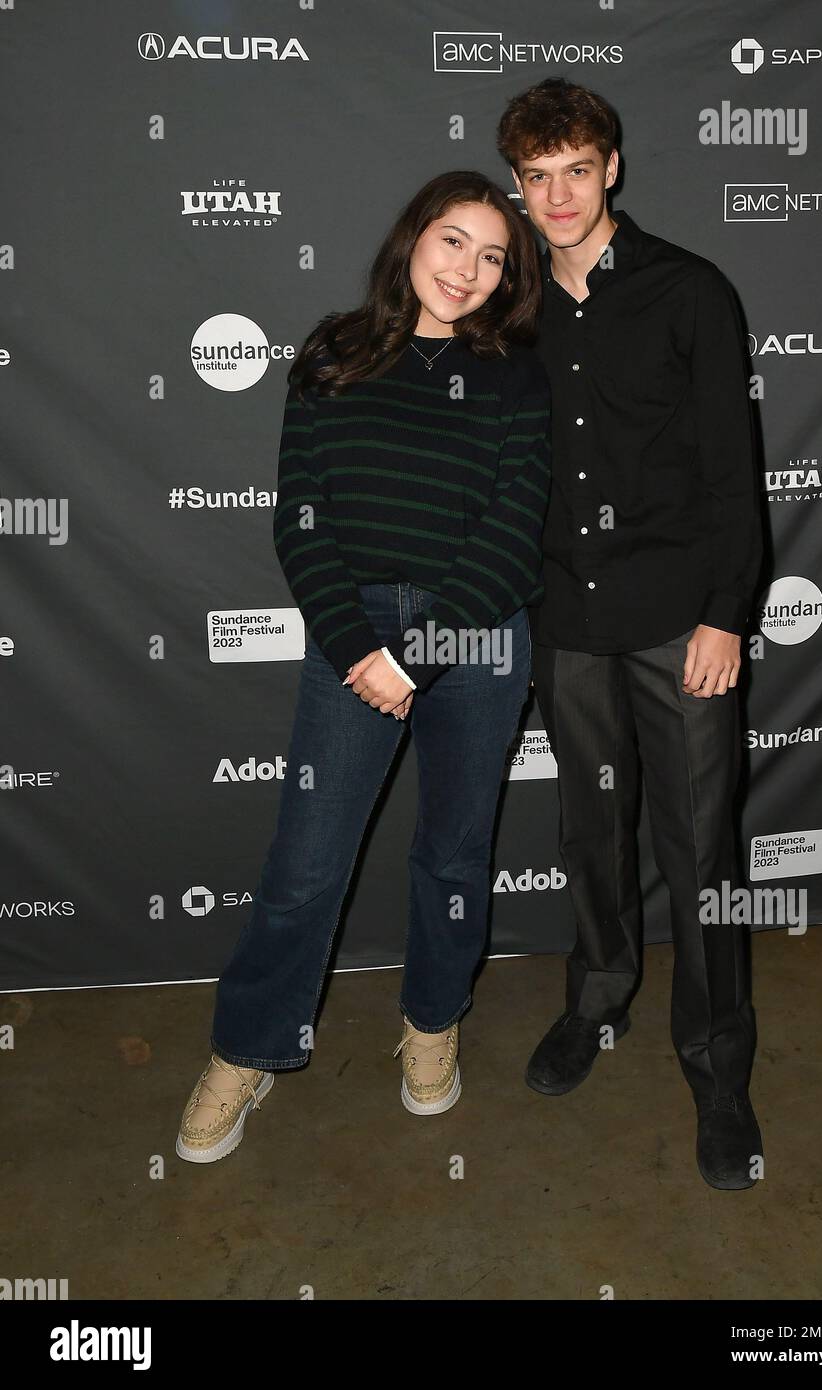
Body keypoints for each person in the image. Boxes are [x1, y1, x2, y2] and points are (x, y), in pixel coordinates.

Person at [176, 170, 552, 1163]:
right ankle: (246, 1047)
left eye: (492, 257)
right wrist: (362, 650)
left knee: (454, 854)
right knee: (304, 866)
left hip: (475, 638)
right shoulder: (337, 348)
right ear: (412, 238)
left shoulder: (516, 372)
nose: (467, 269)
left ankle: (431, 1023)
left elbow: (515, 537)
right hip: (354, 632)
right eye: (452, 240)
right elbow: (299, 517)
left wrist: (416, 658)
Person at [496, 78, 765, 1190]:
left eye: (575, 169)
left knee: (700, 853)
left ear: (611, 169)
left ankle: (717, 1070)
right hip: (566, 619)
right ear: (518, 189)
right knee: (590, 837)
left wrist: (724, 615)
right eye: (535, 177)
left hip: (677, 622)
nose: (557, 194)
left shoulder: (688, 291)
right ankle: (595, 1005)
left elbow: (733, 473)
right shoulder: (509, 309)